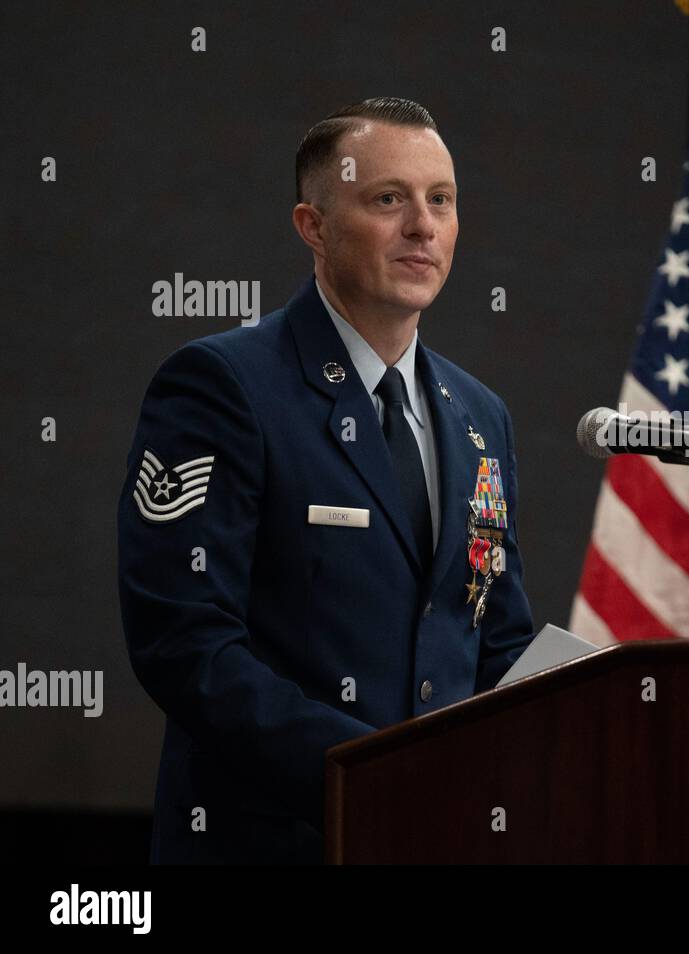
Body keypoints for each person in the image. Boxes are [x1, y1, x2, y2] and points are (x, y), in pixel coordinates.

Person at [117, 97, 535, 864]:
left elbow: (493, 634)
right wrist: (368, 774)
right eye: (388, 200)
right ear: (313, 227)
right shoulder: (223, 385)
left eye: (440, 200)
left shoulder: (481, 416)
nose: (424, 226)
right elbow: (185, 641)